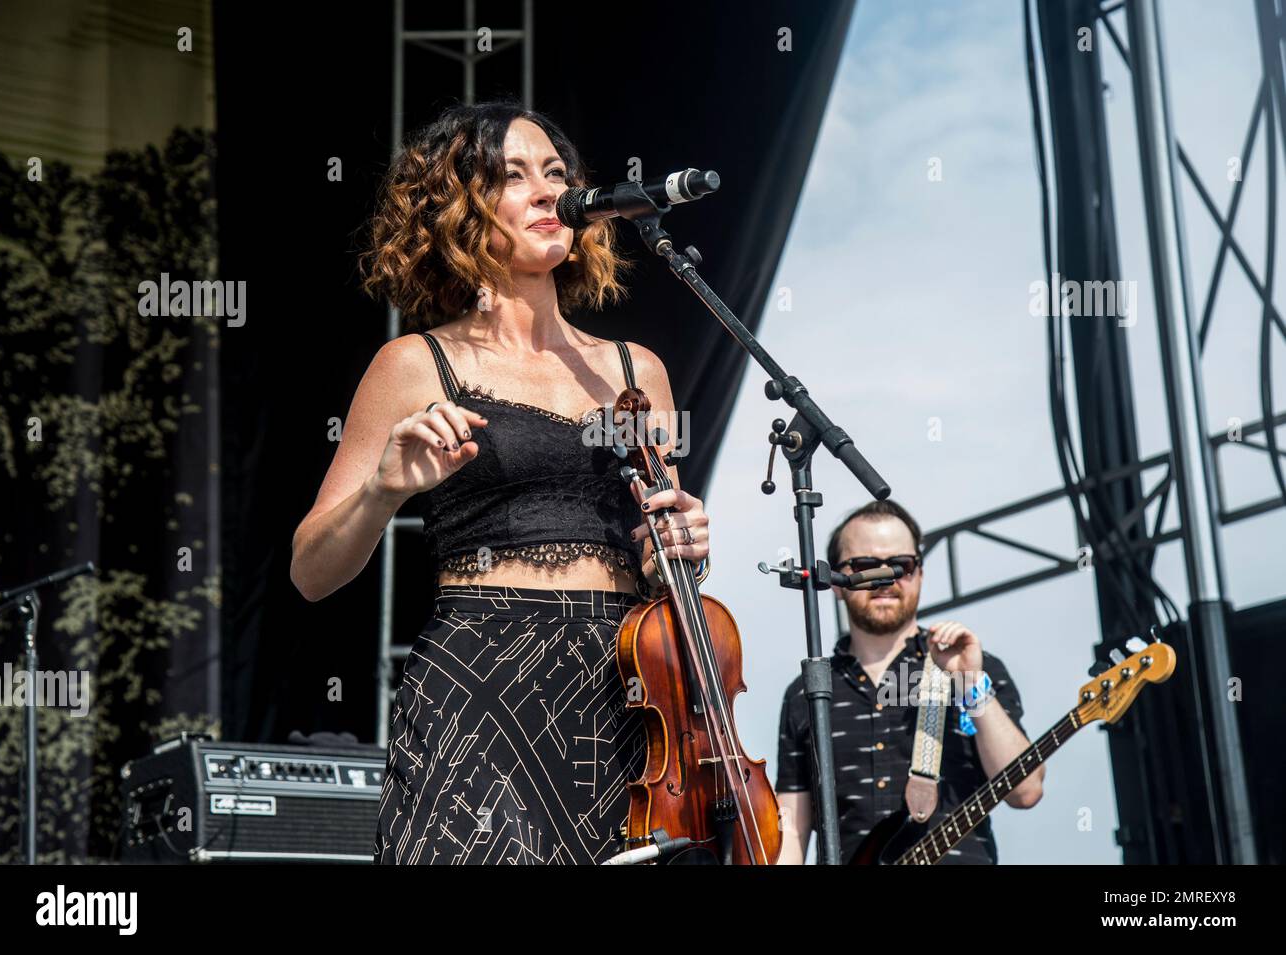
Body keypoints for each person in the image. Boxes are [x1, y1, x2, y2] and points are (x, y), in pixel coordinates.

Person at [289, 101, 711, 864]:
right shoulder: (416, 365)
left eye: (556, 173)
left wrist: (680, 544)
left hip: (621, 693)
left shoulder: (635, 370)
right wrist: (385, 489)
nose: (549, 192)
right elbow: (312, 570)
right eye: (513, 177)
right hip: (478, 685)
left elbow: (661, 561)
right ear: (458, 209)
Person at [774, 500, 1044, 864]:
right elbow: (789, 828)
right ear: (835, 582)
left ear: (920, 573)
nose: (886, 579)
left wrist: (970, 682)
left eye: (901, 566)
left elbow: (1025, 791)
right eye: (865, 566)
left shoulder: (973, 665)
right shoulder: (806, 693)